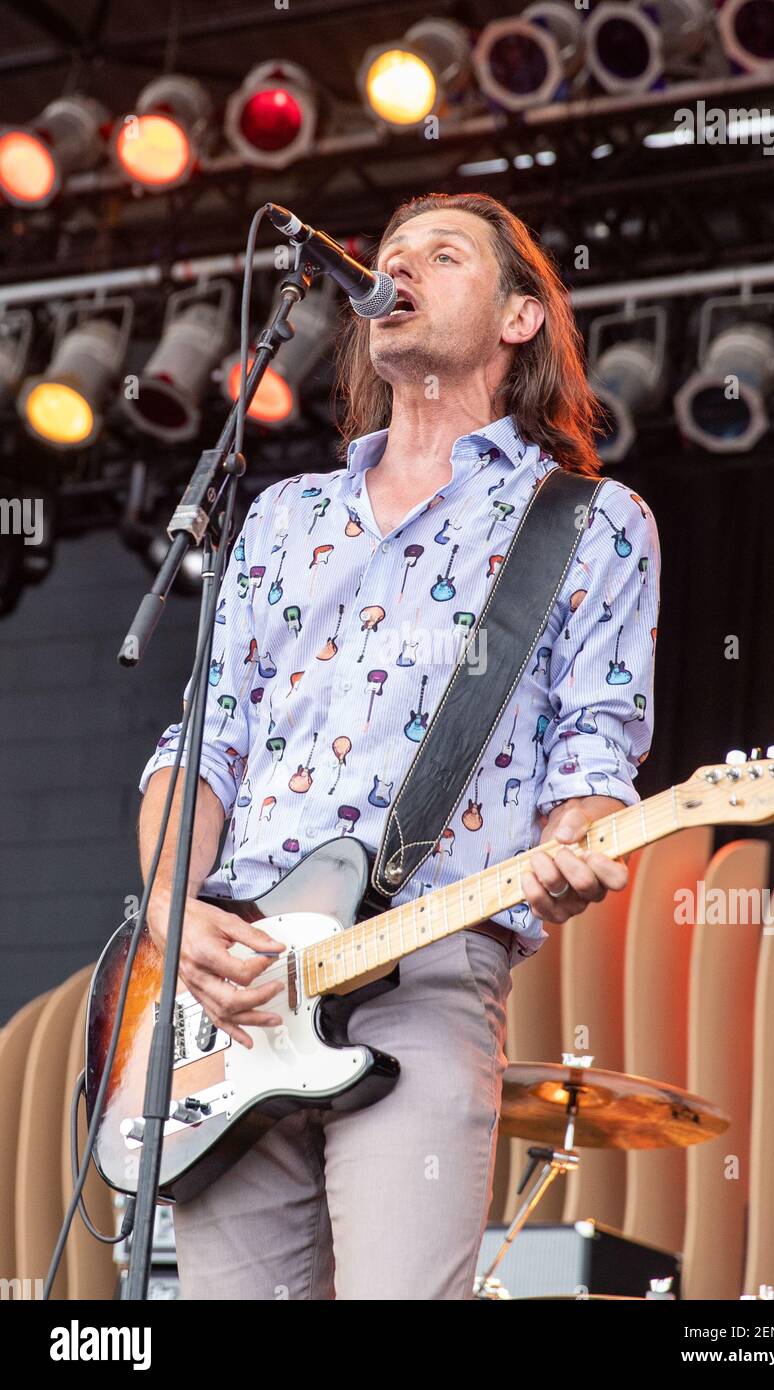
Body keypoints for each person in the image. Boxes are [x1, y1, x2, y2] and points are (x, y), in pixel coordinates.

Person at [137, 191, 661, 1300]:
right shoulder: (285, 517)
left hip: (427, 968)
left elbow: (593, 754)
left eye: (443, 253)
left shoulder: (588, 520)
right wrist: (174, 912)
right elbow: (202, 741)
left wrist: (577, 844)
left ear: (520, 317)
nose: (398, 269)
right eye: (390, 255)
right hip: (235, 984)